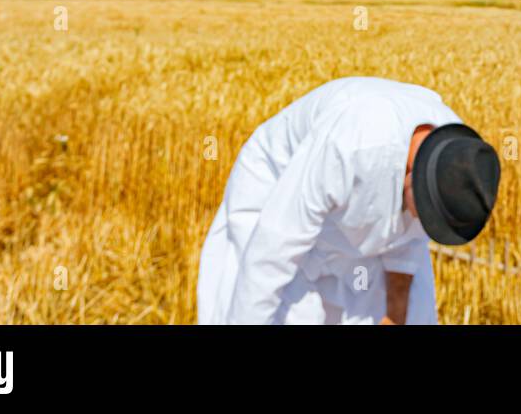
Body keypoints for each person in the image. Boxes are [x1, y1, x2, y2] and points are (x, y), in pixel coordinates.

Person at [198, 76, 500, 325]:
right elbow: (273, 251)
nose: (422, 223)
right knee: (289, 314)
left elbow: (406, 245)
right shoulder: (353, 144)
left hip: (352, 221)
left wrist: (394, 315)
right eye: (426, 216)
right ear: (411, 179)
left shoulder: (458, 159)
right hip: (277, 191)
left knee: (415, 314)